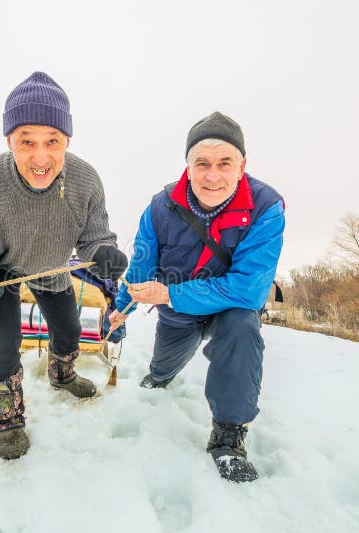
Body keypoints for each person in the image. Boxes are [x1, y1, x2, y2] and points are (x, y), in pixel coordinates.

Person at [0, 72, 127, 460]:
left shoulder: (85, 180)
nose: (40, 156)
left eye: (52, 141)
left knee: (68, 329)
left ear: (67, 140)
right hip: (0, 271)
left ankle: (62, 373)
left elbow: (95, 235)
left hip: (53, 264)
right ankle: (7, 417)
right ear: (9, 141)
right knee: (4, 340)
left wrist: (104, 252)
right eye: (26, 141)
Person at [110, 112, 285, 482]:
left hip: (227, 308)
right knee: (163, 367)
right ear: (187, 166)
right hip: (178, 315)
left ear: (243, 166)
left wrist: (170, 294)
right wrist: (121, 307)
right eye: (201, 163)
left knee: (241, 329)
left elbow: (248, 289)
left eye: (225, 163)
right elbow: (141, 268)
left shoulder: (267, 208)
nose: (212, 175)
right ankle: (159, 377)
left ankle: (228, 435)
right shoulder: (160, 207)